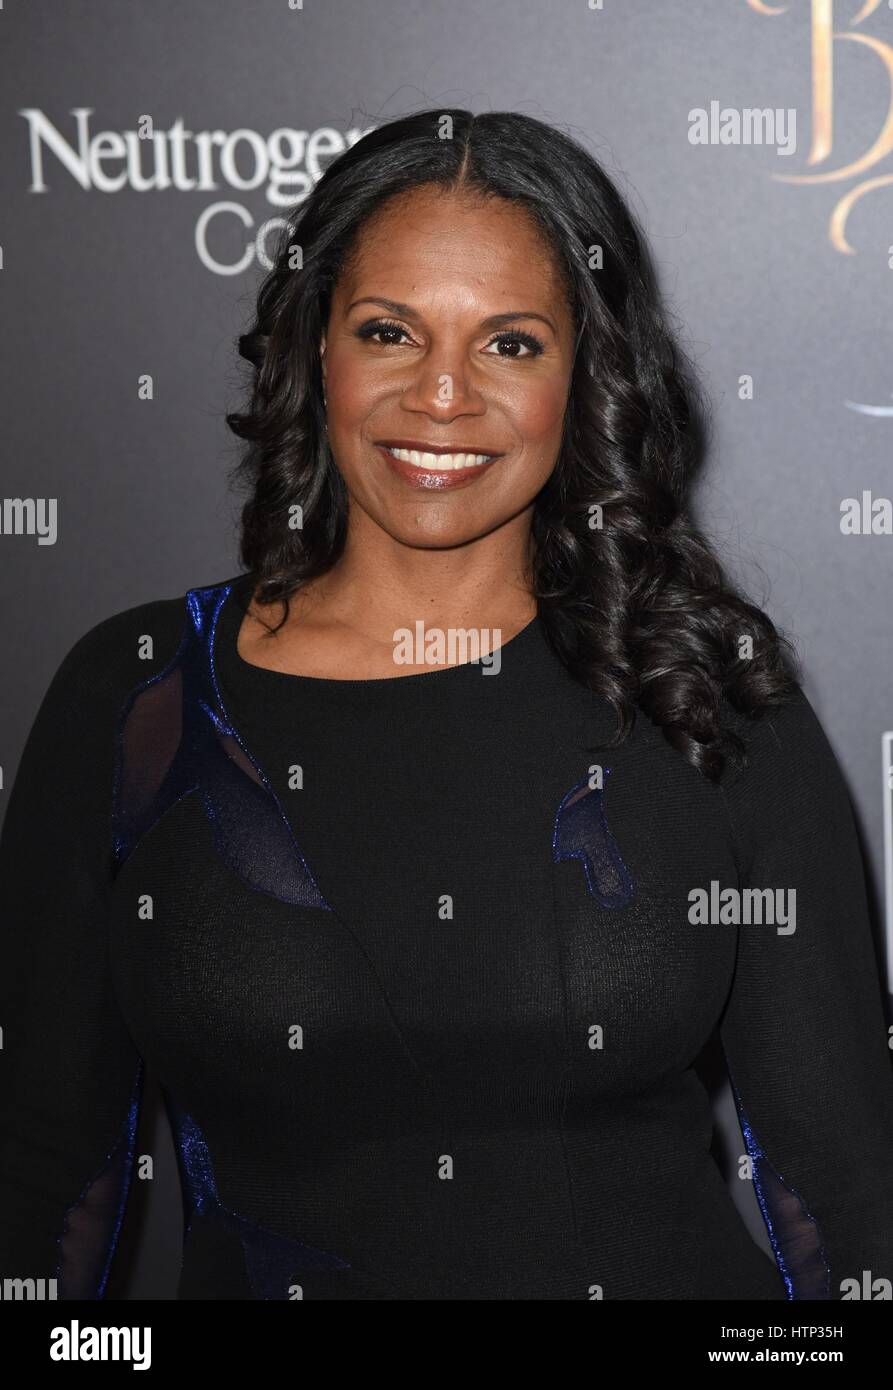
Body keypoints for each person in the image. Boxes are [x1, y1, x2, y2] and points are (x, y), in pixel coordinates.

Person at [1, 108, 891, 1301]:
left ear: (585, 374)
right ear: (316, 348)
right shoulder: (142, 693)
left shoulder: (700, 685)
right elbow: (45, 1182)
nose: (441, 395)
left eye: (509, 345)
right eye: (388, 331)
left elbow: (843, 1190)